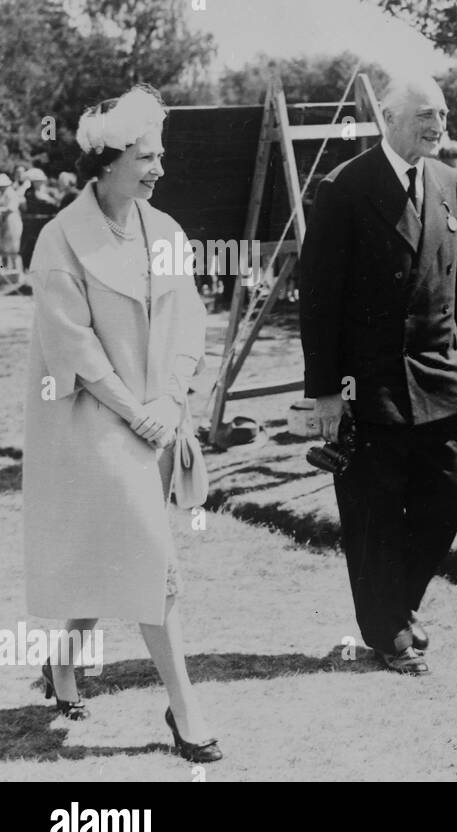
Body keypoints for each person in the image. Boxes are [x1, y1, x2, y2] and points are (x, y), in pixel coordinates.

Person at [23, 85, 220, 762]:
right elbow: (71, 347)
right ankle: (186, 708)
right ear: (104, 162)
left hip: (156, 417)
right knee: (148, 553)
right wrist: (136, 412)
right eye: (144, 155)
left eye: (159, 153)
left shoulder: (163, 232)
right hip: (93, 420)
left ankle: (60, 662)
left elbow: (190, 320)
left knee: (117, 552)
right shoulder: (59, 241)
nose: (158, 167)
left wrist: (170, 397)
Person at [299, 74, 457, 676]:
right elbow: (317, 297)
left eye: (445, 116)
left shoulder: (448, 182)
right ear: (391, 119)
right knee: (374, 509)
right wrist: (324, 390)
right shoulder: (344, 186)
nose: (439, 126)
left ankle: (397, 606)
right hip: (367, 383)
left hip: (439, 373)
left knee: (453, 493)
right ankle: (388, 630)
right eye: (427, 115)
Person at [0, 173, 22, 275]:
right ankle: (4, 269)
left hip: (12, 221)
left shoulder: (12, 194)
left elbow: (11, 208)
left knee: (12, 246)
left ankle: (14, 270)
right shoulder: (2, 194)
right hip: (4, 222)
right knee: (3, 246)